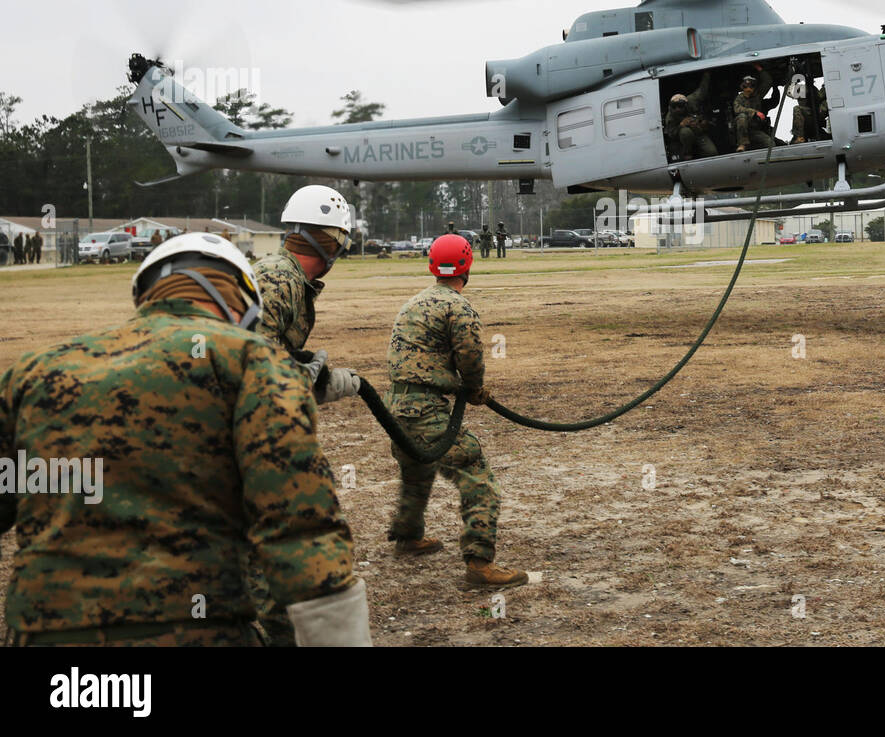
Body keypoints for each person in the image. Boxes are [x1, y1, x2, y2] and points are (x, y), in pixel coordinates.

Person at [0, 233, 369, 646]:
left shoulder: (32, 372)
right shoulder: (251, 360)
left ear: (147, 294)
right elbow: (301, 529)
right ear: (243, 302)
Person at [250, 184, 362, 644]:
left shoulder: (286, 276)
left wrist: (306, 369)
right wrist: (315, 380)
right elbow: (254, 370)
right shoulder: (279, 279)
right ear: (330, 240)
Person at [385, 233, 528, 588]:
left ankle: (408, 536)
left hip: (395, 408)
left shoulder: (413, 303)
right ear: (468, 265)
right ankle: (480, 564)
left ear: (432, 264)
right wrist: (475, 388)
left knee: (417, 469)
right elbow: (470, 355)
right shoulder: (458, 307)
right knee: (477, 475)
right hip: (427, 411)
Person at [732, 68, 774, 153]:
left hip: (754, 130)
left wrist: (759, 68)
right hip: (741, 131)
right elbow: (737, 109)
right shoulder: (739, 99)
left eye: (751, 86)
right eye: (745, 86)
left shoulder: (757, 96)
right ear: (742, 87)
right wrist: (754, 112)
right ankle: (742, 144)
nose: (748, 89)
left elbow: (768, 81)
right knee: (742, 117)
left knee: (770, 143)